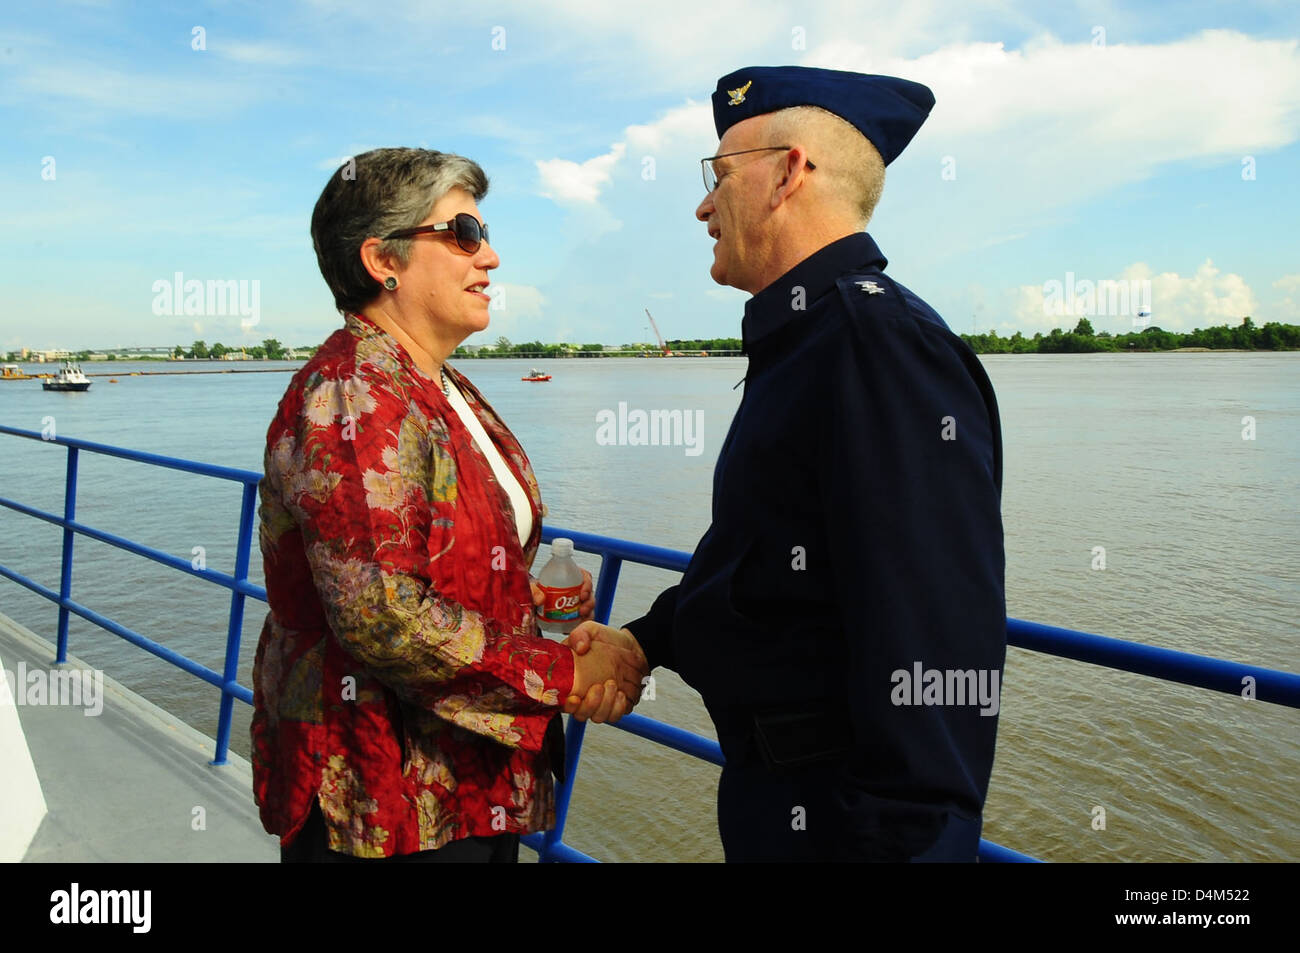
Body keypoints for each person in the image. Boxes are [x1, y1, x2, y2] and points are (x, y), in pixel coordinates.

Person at [567, 67, 1006, 862]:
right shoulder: (809, 340)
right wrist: (640, 640)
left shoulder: (878, 348)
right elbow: (757, 561)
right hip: (777, 801)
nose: (703, 205)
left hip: (843, 827)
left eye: (720, 175)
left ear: (789, 172)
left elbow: (935, 654)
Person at [252, 147, 644, 862]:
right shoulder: (354, 398)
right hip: (386, 798)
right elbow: (383, 613)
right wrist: (558, 674)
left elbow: (439, 558)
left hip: (468, 783)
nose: (489, 256)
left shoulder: (440, 387)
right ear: (383, 259)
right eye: (463, 233)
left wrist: (534, 601)